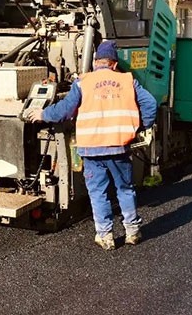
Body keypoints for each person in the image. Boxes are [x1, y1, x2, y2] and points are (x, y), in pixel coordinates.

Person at [24, 40, 157, 250]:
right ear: (114, 64)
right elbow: (150, 104)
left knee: (98, 192)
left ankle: (105, 236)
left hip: (92, 149)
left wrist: (42, 114)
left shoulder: (82, 82)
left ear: (96, 62)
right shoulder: (127, 81)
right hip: (119, 147)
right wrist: (140, 126)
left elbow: (64, 111)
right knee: (124, 188)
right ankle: (132, 231)